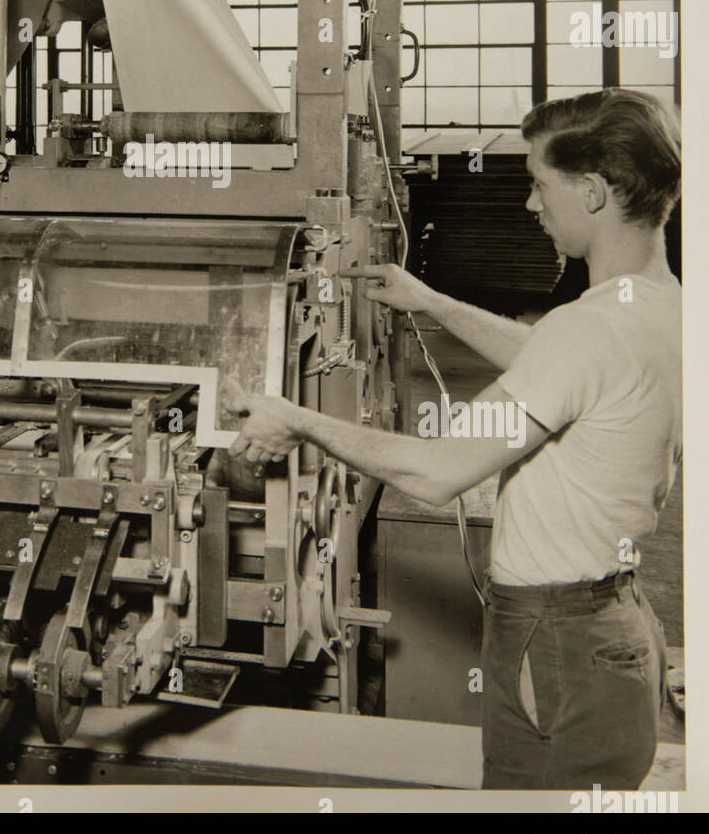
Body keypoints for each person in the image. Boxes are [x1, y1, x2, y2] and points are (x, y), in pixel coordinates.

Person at [224, 88, 681, 790]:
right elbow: (557, 364)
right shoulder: (661, 309)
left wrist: (296, 418)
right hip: (612, 629)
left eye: (539, 184)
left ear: (592, 192)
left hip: (555, 638)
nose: (531, 206)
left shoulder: (587, 332)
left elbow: (440, 472)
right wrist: (430, 301)